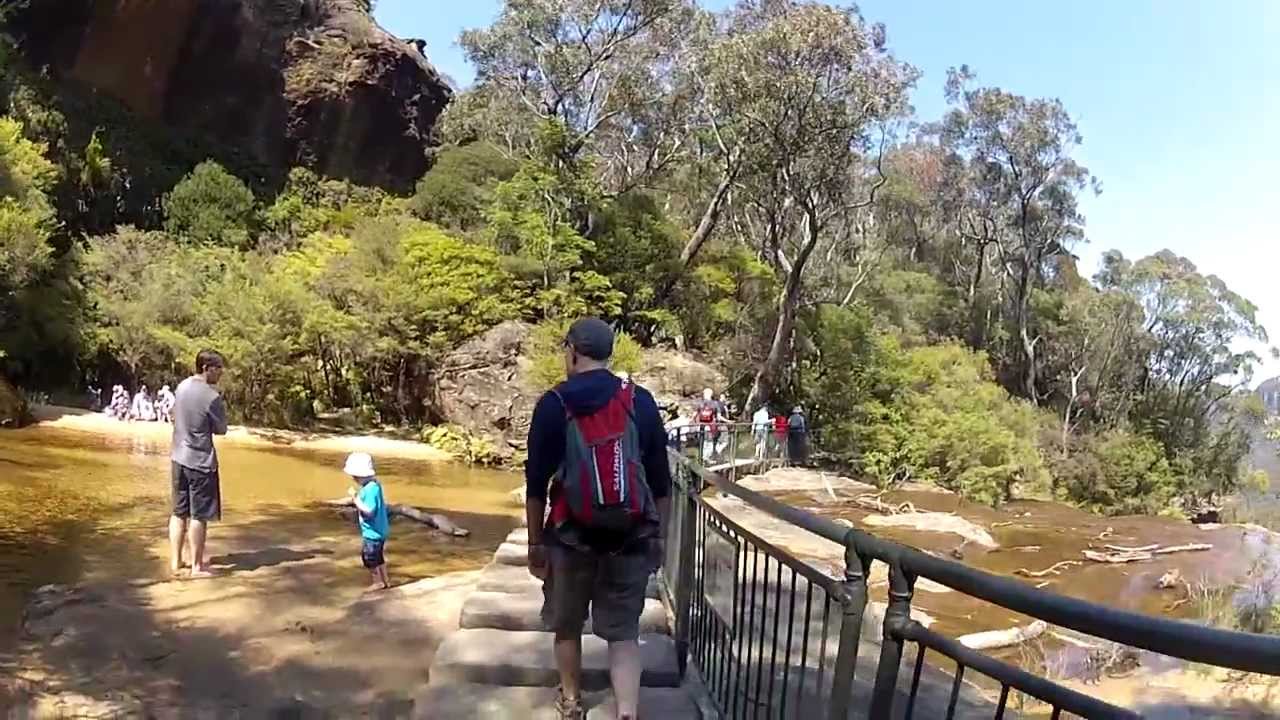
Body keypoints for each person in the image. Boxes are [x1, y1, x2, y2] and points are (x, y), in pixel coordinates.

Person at [525, 317, 672, 720]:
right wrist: (659, 537)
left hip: (569, 539)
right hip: (630, 538)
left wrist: (536, 543)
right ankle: (626, 712)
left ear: (572, 350)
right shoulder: (638, 401)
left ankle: (571, 703)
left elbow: (535, 481)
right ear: (610, 354)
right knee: (624, 634)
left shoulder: (554, 403)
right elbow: (661, 479)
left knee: (567, 626)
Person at [169, 350, 228, 578]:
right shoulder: (211, 397)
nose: (220, 373)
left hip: (178, 457)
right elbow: (221, 429)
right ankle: (196, 567)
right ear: (206, 368)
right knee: (198, 516)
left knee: (178, 512)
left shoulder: (181, 386)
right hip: (200, 461)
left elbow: (174, 414)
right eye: (218, 368)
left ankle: (176, 562)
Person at [344, 452, 390, 591]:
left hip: (373, 532)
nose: (354, 479)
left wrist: (355, 498)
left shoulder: (369, 490)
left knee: (369, 558)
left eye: (355, 477)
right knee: (379, 557)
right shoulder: (375, 485)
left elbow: (369, 511)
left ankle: (378, 582)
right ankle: (385, 580)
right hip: (381, 530)